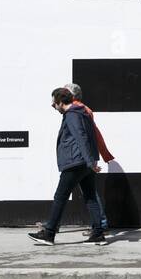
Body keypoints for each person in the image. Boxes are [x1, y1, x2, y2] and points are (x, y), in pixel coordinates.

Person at [29, 87, 108, 245]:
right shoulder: (82, 112)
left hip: (76, 163)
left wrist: (89, 161)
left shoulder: (72, 115)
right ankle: (98, 234)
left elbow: (81, 138)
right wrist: (91, 160)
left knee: (60, 197)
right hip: (85, 162)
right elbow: (90, 136)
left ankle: (49, 233)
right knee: (91, 197)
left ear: (60, 101)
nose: (53, 106)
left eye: (54, 102)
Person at [65, 82, 114, 235]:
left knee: (86, 193)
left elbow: (86, 135)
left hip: (82, 158)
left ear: (71, 95)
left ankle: (100, 224)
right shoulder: (80, 109)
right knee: (90, 193)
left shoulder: (79, 110)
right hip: (85, 156)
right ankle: (99, 225)